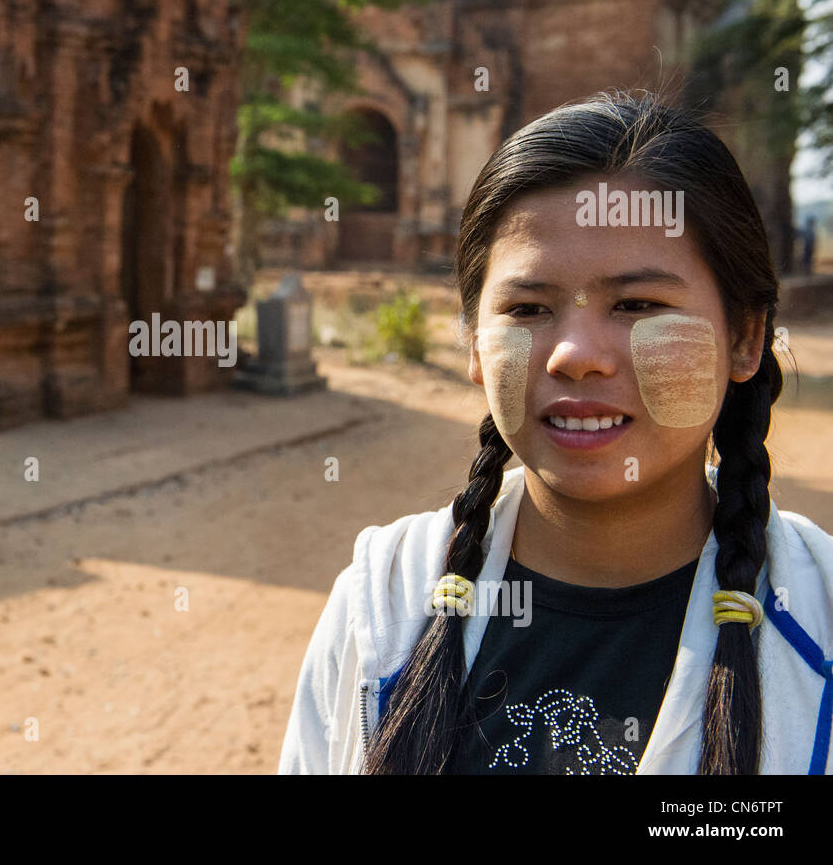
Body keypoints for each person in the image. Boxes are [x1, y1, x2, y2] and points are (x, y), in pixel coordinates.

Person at [278, 90, 833, 775]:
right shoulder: (381, 605)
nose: (575, 354)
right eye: (529, 307)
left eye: (636, 304)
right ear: (476, 346)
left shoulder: (821, 620)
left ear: (746, 336)